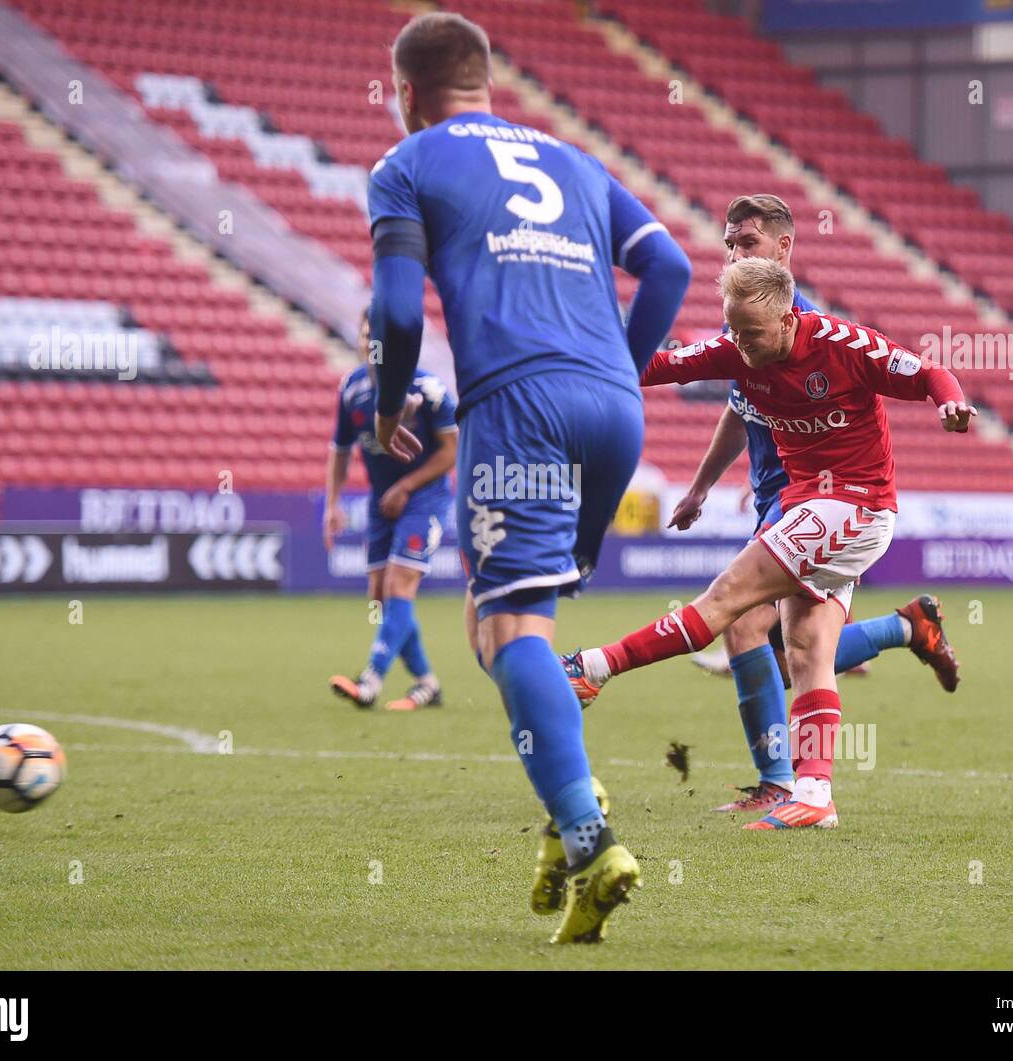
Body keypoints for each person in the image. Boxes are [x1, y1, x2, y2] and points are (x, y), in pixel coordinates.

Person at [367, 12, 690, 941]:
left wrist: (390, 407)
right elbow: (666, 265)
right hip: (614, 413)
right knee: (503, 621)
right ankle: (561, 820)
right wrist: (622, 373)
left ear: (406, 94)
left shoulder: (411, 163)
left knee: (506, 628)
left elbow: (395, 313)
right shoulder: (572, 159)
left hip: (520, 408)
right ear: (488, 84)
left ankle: (592, 841)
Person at [564, 257, 975, 830]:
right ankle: (813, 795)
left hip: (855, 504)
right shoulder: (737, 348)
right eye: (733, 328)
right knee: (806, 650)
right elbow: (658, 365)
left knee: (729, 598)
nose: (741, 344)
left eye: (753, 332)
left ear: (788, 318)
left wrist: (950, 403)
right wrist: (591, 358)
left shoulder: (843, 343)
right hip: (815, 508)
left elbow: (927, 372)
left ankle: (593, 666)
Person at [670, 195, 959, 813]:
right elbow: (737, 402)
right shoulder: (742, 329)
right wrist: (700, 486)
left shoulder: (809, 332)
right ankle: (906, 627)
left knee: (749, 628)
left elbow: (913, 375)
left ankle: (781, 781)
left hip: (819, 500)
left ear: (783, 249)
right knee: (794, 645)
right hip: (780, 497)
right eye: (728, 245)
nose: (733, 255)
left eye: (746, 243)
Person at [326, 310, 457, 711]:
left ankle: (371, 679)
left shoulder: (429, 390)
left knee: (400, 585)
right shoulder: (351, 389)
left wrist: (406, 486)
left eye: (377, 335)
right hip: (382, 502)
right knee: (381, 597)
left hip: (424, 499)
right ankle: (427, 683)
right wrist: (332, 504)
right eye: (366, 334)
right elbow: (341, 450)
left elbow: (452, 451)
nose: (370, 342)